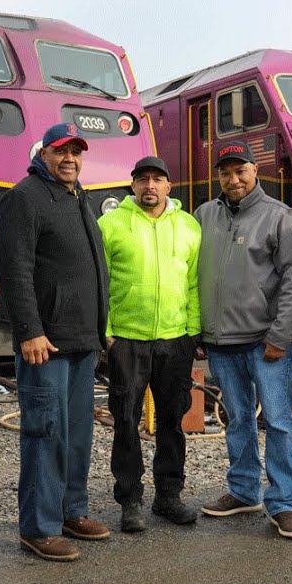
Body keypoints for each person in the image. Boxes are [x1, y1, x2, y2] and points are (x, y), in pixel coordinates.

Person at [0, 122, 112, 562]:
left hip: (83, 339)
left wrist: (103, 326)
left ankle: (71, 511)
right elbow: (13, 270)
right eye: (62, 151)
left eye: (77, 152)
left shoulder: (78, 196)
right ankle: (38, 527)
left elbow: (92, 267)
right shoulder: (24, 198)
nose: (70, 159)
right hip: (47, 341)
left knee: (77, 432)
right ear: (44, 153)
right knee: (45, 432)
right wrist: (29, 330)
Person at [194, 140, 292, 539]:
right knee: (238, 419)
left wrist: (281, 335)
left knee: (277, 422)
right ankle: (244, 491)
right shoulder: (204, 214)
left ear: (255, 171)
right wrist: (199, 330)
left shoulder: (280, 217)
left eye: (240, 170)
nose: (233, 178)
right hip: (221, 342)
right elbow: (194, 274)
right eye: (226, 172)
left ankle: (283, 503)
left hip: (265, 342)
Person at [97, 155, 203, 533]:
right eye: (142, 180)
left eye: (157, 179)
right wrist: (106, 332)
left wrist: (193, 332)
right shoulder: (110, 225)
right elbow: (101, 283)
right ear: (133, 186)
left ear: (169, 186)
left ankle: (168, 496)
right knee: (125, 420)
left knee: (173, 420)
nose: (150, 187)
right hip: (126, 339)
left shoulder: (189, 226)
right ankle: (130, 500)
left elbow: (192, 283)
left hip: (175, 340)